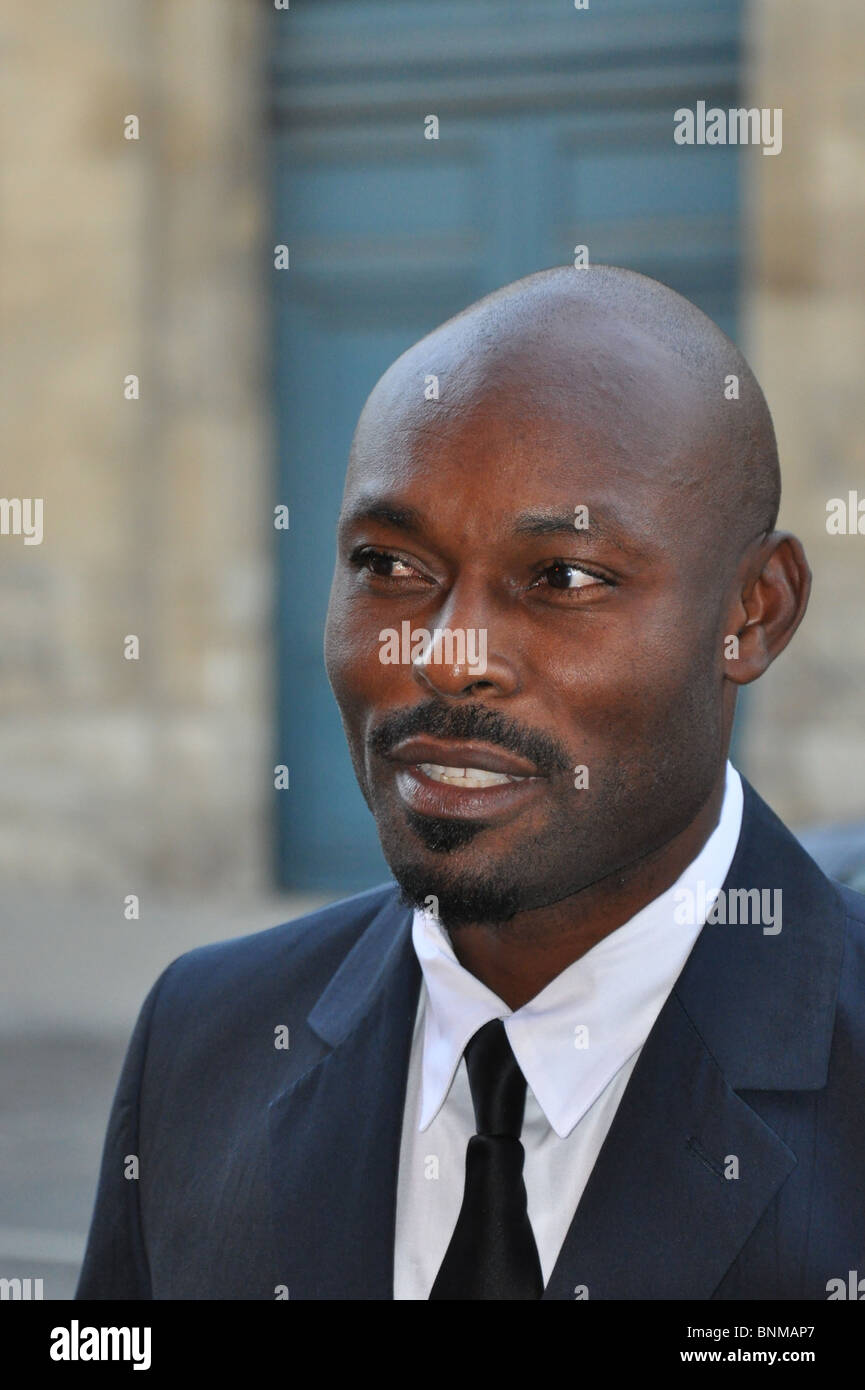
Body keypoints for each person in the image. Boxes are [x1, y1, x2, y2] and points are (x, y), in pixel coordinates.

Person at [77, 266, 865, 1300]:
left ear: (752, 612)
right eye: (389, 565)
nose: (446, 655)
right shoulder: (205, 1034)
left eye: (564, 579)